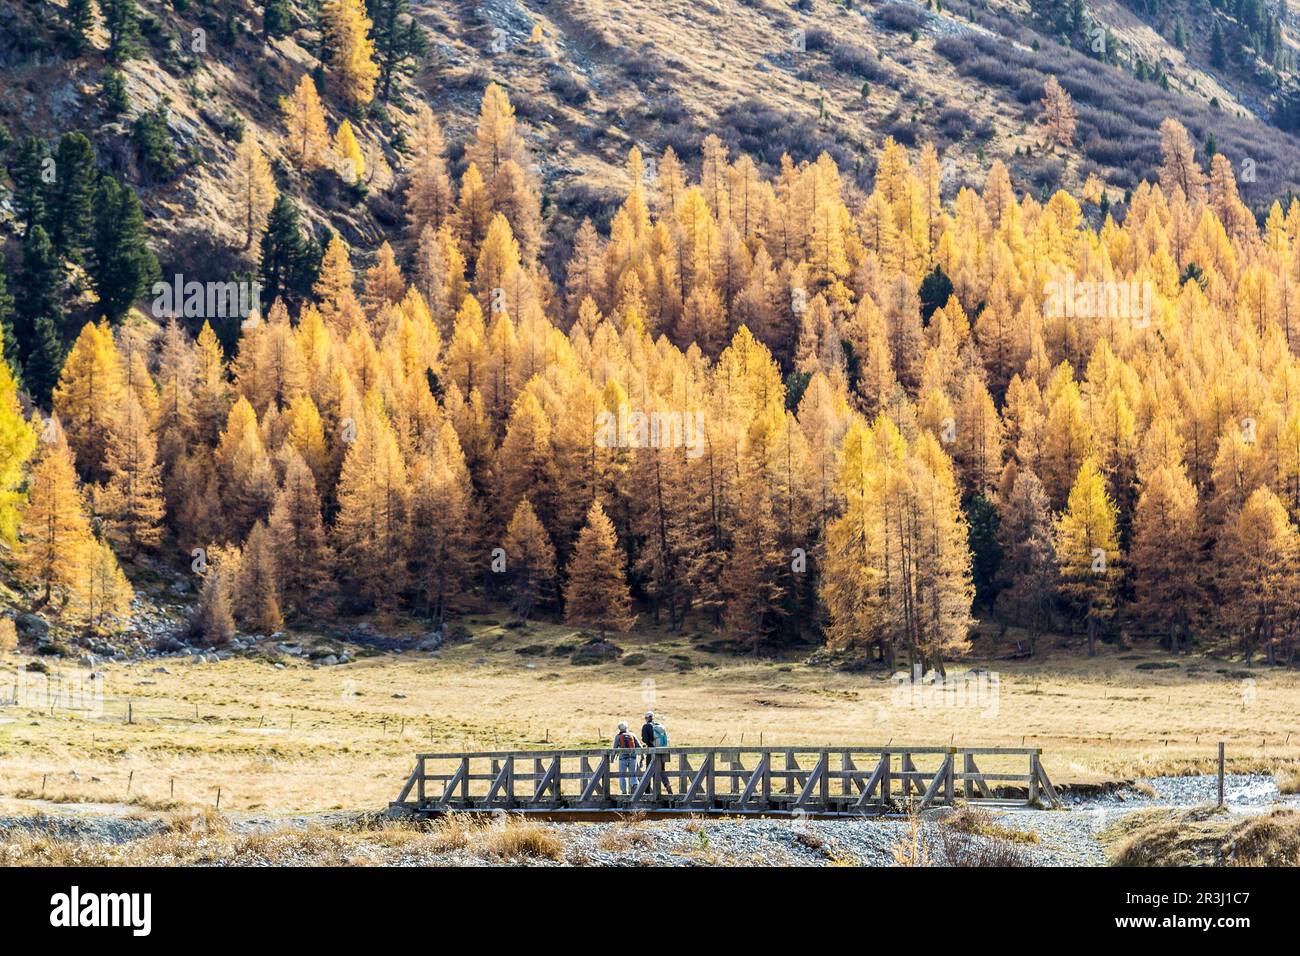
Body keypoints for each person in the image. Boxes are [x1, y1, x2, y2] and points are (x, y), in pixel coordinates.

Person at [640, 711, 672, 794]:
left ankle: (647, 792)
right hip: (662, 751)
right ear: (653, 717)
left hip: (652, 751)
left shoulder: (646, 726)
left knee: (649, 770)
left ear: (646, 718)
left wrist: (646, 743)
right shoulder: (659, 726)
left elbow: (645, 739)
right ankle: (667, 784)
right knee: (661, 770)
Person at [613, 721, 640, 795]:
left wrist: (612, 759)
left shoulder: (618, 736)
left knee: (622, 776)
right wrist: (642, 757)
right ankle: (635, 786)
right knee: (633, 774)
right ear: (627, 727)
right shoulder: (632, 735)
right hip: (633, 758)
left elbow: (614, 749)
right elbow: (639, 746)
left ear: (619, 729)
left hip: (622, 758)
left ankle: (624, 792)